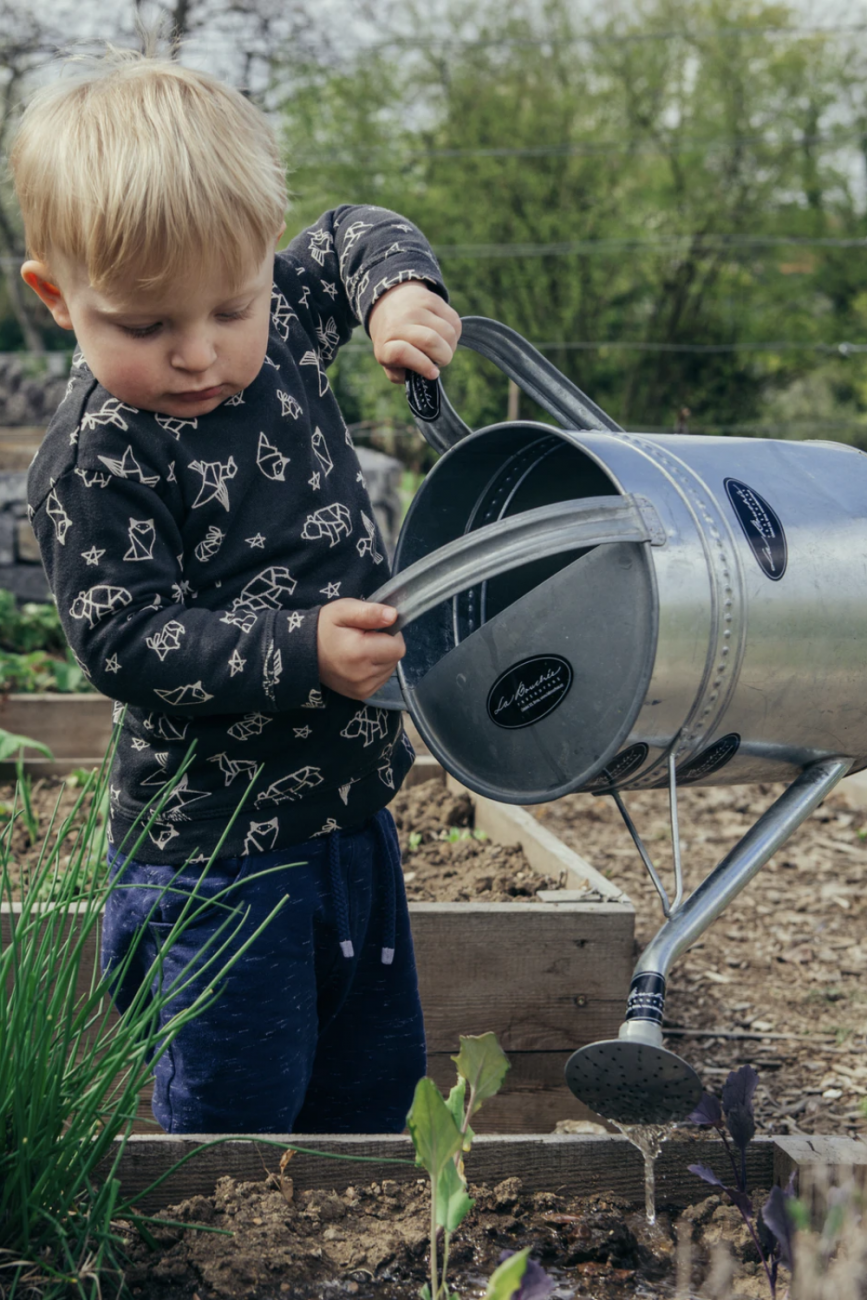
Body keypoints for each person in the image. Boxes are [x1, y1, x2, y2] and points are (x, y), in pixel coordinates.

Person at [12, 48, 461, 1135]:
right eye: (144, 325)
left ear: (264, 260)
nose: (199, 353)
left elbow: (355, 228)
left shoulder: (291, 316)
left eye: (231, 305)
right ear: (57, 297)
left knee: (370, 1085)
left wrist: (400, 291)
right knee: (238, 1117)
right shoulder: (97, 456)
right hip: (217, 860)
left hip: (354, 816)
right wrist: (300, 649)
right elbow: (125, 639)